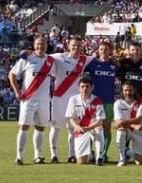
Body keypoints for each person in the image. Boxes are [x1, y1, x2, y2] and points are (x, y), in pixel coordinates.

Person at [9, 35, 59, 165]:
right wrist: (17, 91)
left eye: (43, 44)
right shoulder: (28, 59)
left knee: (40, 128)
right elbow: (12, 74)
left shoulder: (51, 61)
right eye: (38, 44)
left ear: (46, 46)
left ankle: (38, 155)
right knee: (24, 126)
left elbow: (55, 77)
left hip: (44, 100)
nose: (40, 47)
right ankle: (19, 156)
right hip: (29, 99)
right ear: (34, 45)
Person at [51, 35, 91, 163]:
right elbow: (40, 56)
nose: (76, 48)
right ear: (68, 45)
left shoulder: (85, 59)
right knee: (55, 128)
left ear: (82, 47)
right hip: (59, 98)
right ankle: (53, 154)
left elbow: (101, 58)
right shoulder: (58, 57)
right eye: (73, 45)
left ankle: (71, 155)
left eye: (79, 46)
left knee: (73, 129)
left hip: (75, 100)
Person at [88, 40, 119, 164]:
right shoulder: (91, 64)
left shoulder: (115, 66)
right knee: (93, 127)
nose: (103, 52)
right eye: (101, 49)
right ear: (98, 51)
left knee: (106, 128)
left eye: (106, 49)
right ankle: (90, 152)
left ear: (110, 51)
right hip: (94, 101)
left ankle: (104, 153)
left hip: (108, 101)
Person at [64, 76, 105, 165]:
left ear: (92, 87)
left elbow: (100, 121)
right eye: (82, 86)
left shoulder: (97, 100)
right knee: (81, 162)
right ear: (79, 88)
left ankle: (100, 157)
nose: (85, 89)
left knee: (99, 128)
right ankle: (91, 154)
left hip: (92, 127)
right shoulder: (73, 99)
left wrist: (89, 128)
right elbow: (70, 118)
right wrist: (77, 127)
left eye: (87, 86)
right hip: (80, 129)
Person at [113, 82, 142, 166]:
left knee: (140, 162)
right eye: (125, 90)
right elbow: (119, 121)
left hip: (139, 131)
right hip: (127, 129)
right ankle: (122, 159)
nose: (128, 92)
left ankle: (127, 152)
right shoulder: (118, 103)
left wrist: (122, 122)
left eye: (130, 90)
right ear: (122, 91)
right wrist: (132, 125)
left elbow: (138, 120)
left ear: (134, 90)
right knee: (121, 131)